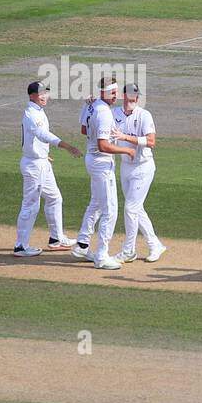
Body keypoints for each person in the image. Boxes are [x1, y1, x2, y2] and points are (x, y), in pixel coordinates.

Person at [71, 79, 133, 269]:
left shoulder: (91, 105)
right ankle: (102, 256)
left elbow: (83, 129)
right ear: (103, 92)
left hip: (92, 159)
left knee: (96, 203)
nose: (116, 96)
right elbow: (103, 145)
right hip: (100, 162)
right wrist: (127, 151)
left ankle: (82, 244)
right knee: (110, 210)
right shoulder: (104, 112)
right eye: (112, 93)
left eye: (116, 92)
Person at [14, 80, 81, 256]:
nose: (45, 96)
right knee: (31, 205)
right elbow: (41, 134)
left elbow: (33, 139)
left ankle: (56, 238)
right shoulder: (31, 114)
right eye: (42, 93)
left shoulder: (38, 111)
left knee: (54, 198)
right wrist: (65, 145)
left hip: (41, 162)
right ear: (32, 96)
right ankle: (20, 246)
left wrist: (43, 154)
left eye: (46, 93)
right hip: (34, 166)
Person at [110, 83, 166, 262]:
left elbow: (151, 141)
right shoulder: (114, 114)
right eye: (129, 95)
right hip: (125, 165)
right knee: (136, 209)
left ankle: (129, 250)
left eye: (135, 96)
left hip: (143, 167)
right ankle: (155, 244)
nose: (132, 99)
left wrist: (125, 137)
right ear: (123, 96)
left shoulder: (144, 115)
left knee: (130, 208)